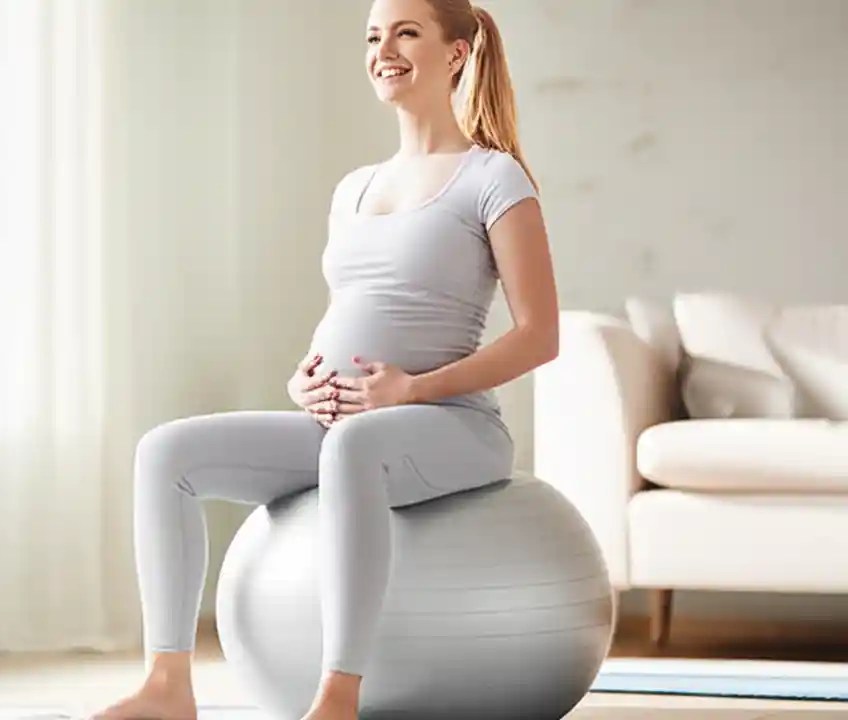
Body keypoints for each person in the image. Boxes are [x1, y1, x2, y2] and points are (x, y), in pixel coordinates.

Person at [90, 0, 557, 717]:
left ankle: (338, 695)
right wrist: (303, 375)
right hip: (347, 425)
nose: (383, 49)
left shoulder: (494, 178)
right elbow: (351, 308)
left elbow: (539, 335)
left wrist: (412, 389)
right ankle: (167, 686)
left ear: (458, 54)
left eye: (406, 32)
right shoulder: (354, 189)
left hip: (453, 425)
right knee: (166, 453)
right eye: (373, 36)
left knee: (354, 451)